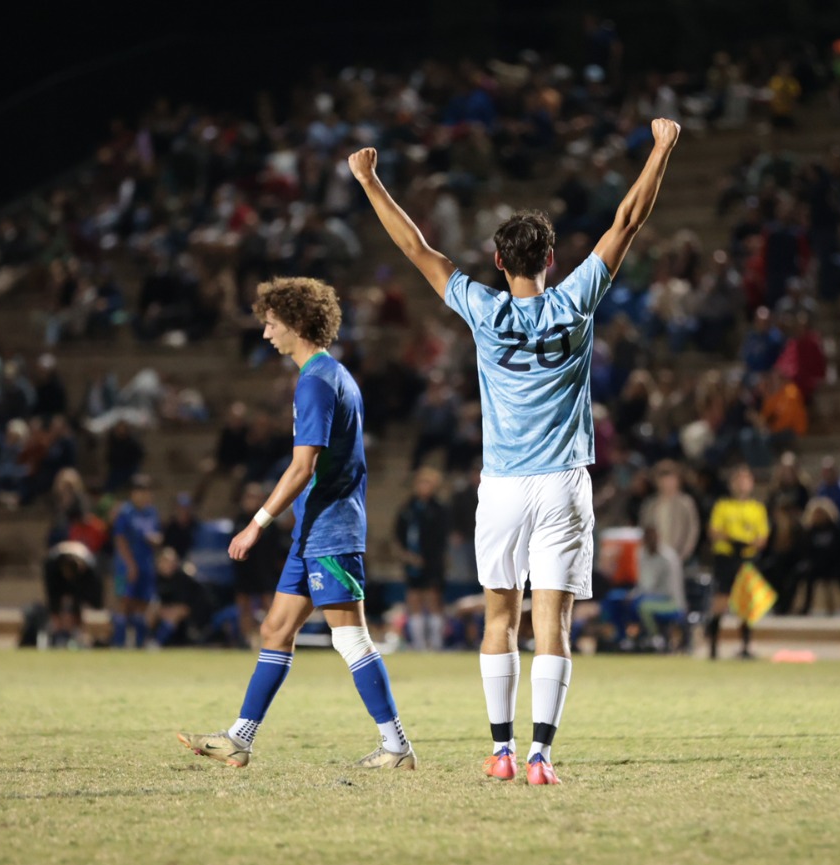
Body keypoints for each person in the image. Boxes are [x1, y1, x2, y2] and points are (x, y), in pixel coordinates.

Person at [349, 118, 680, 784]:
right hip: (562, 482)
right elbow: (628, 220)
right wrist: (661, 147)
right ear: (550, 261)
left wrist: (368, 179)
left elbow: (416, 248)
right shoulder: (575, 301)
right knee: (553, 623)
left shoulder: (481, 307)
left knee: (500, 618)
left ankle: (499, 750)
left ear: (499, 262)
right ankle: (541, 757)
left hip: (501, 485)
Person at [178, 277, 416, 771]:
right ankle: (239, 739)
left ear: (298, 324)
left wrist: (256, 523)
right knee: (275, 628)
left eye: (271, 324)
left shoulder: (316, 381)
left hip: (331, 527)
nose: (266, 334)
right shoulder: (333, 374)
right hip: (314, 530)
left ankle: (397, 747)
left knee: (350, 637)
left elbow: (303, 465)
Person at [706, 465, 769, 658]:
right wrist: (733, 540)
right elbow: (714, 532)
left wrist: (747, 543)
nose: (742, 483)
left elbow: (762, 538)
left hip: (747, 558)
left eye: (745, 479)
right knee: (721, 601)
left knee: (747, 602)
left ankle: (746, 647)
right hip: (726, 558)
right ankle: (713, 647)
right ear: (731, 483)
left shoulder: (757, 508)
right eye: (738, 479)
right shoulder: (723, 506)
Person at [395, 467, 450, 650]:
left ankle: (436, 643)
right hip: (411, 561)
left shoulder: (439, 509)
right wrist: (407, 555)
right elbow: (399, 534)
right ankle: (418, 644)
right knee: (414, 599)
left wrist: (430, 558)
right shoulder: (407, 509)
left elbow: (441, 538)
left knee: (434, 599)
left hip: (432, 561)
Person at [109, 475, 162, 648]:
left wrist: (155, 539)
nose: (144, 496)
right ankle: (118, 642)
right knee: (124, 602)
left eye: (146, 492)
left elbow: (157, 535)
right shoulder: (124, 512)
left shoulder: (151, 512)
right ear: (133, 494)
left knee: (143, 604)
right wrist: (130, 564)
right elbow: (120, 539)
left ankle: (138, 643)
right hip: (124, 566)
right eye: (140, 492)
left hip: (146, 564)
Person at [230, 482, 284, 649]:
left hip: (265, 571)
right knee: (244, 608)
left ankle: (273, 640)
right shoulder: (239, 521)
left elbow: (276, 549)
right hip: (245, 571)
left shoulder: (269, 522)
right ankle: (246, 641)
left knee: (271, 608)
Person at [43, 540, 101, 648]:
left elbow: (92, 598)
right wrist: (56, 615)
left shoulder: (89, 570)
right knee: (55, 603)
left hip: (82, 575)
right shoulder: (52, 566)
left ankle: (76, 633)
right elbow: (52, 595)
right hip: (56, 571)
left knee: (78, 604)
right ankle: (58, 633)